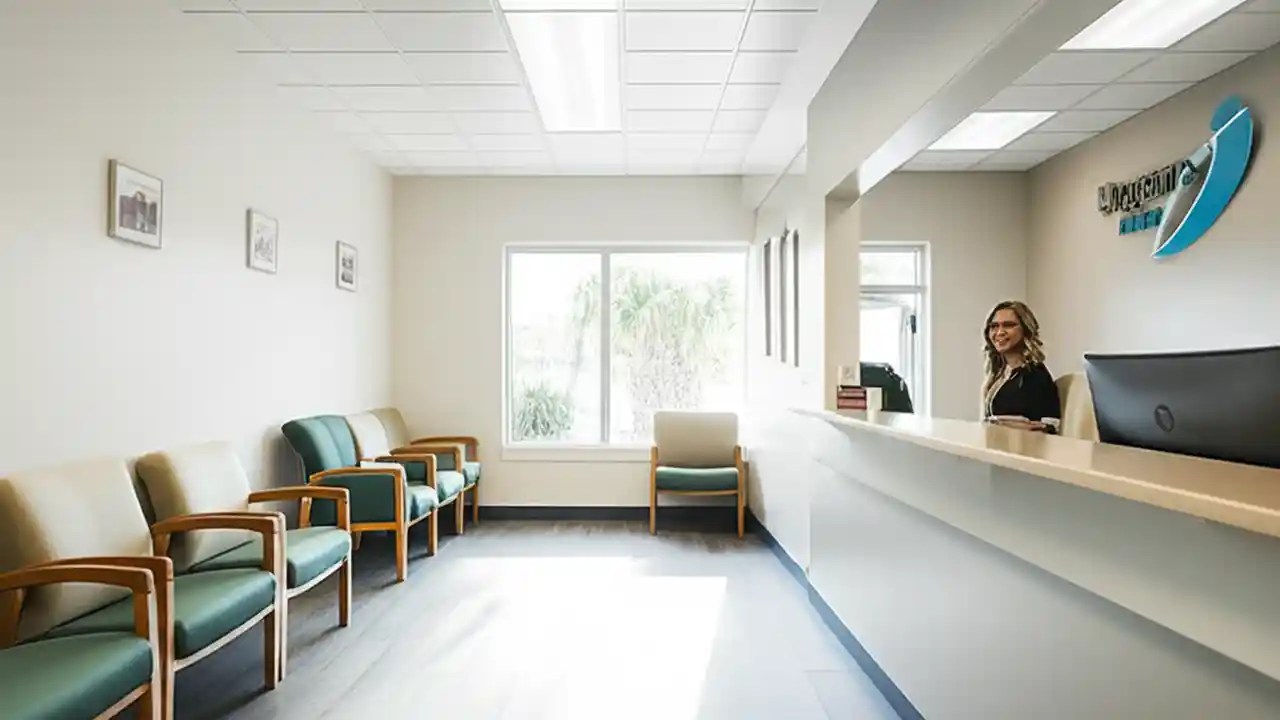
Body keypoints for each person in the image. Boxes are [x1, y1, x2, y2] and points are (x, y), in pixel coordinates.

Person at [981, 300, 1061, 433]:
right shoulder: (1000, 374)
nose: (1000, 332)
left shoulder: (1035, 375)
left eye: (1009, 325)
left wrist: (1000, 424)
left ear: (1025, 330)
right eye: (994, 326)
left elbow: (1048, 428)